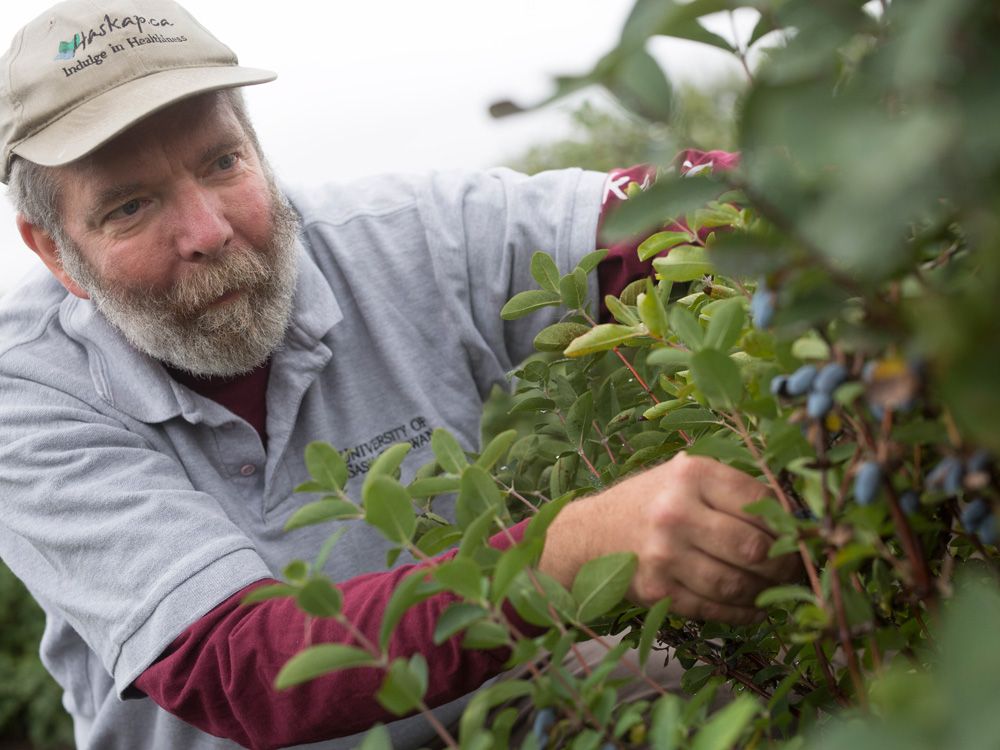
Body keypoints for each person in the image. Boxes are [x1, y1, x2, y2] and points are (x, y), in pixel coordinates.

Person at [0, 1, 799, 748]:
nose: (208, 231)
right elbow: (245, 665)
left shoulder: (393, 239)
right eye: (130, 207)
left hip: (501, 708)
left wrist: (859, 182)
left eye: (222, 161)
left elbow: (642, 224)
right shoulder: (27, 394)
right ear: (52, 250)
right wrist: (579, 544)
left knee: (732, 684)